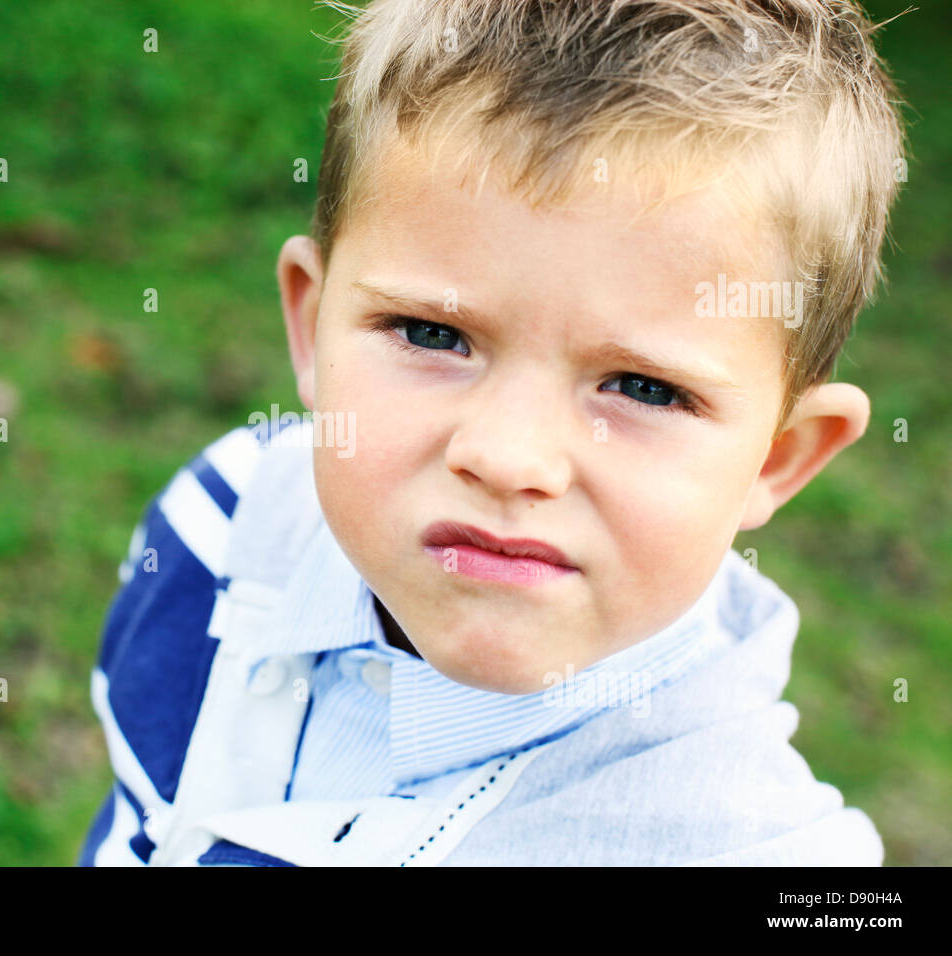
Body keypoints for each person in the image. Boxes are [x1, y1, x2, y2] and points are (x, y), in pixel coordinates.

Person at [79, 0, 907, 866]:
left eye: (642, 388)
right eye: (434, 334)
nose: (509, 458)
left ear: (778, 457)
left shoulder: (750, 850)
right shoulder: (224, 520)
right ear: (313, 328)